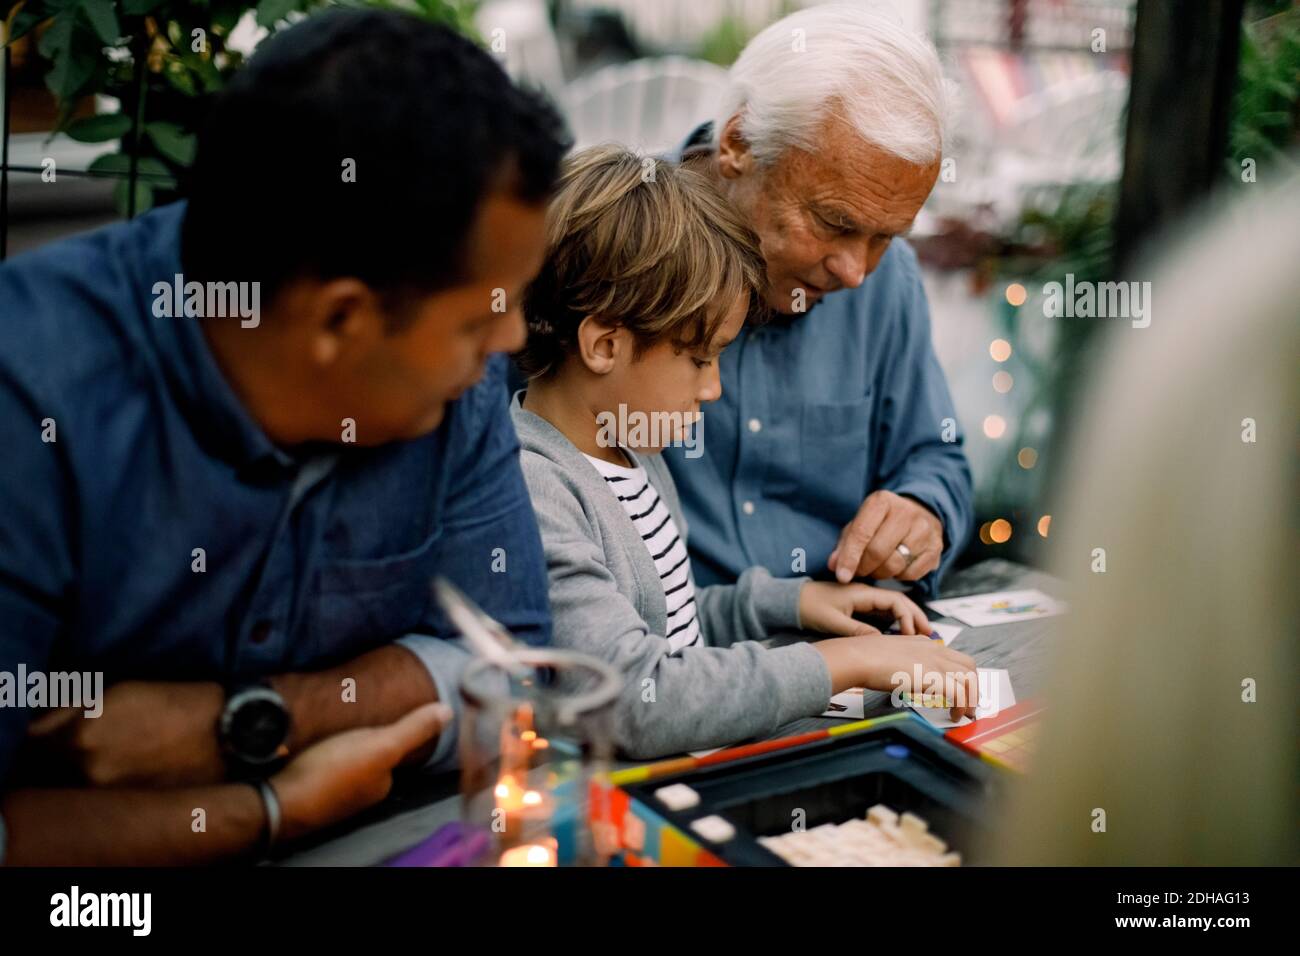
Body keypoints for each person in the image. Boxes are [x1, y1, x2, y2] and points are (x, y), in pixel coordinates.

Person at [0, 8, 567, 864]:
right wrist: (270, 809)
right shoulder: (30, 396)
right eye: (480, 316)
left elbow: (513, 668)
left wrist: (237, 725)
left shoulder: (456, 386)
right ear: (341, 318)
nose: (513, 339)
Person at [511, 146, 978, 759]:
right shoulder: (537, 490)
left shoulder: (631, 455)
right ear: (604, 345)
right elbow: (636, 697)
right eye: (700, 359)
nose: (714, 389)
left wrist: (793, 600)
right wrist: (849, 660)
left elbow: (666, 616)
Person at [662, 4, 973, 599]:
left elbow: (935, 453)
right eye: (834, 222)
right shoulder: (606, 249)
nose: (857, 272)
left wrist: (922, 509)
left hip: (856, 652)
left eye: (886, 236)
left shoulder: (889, 282)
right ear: (737, 142)